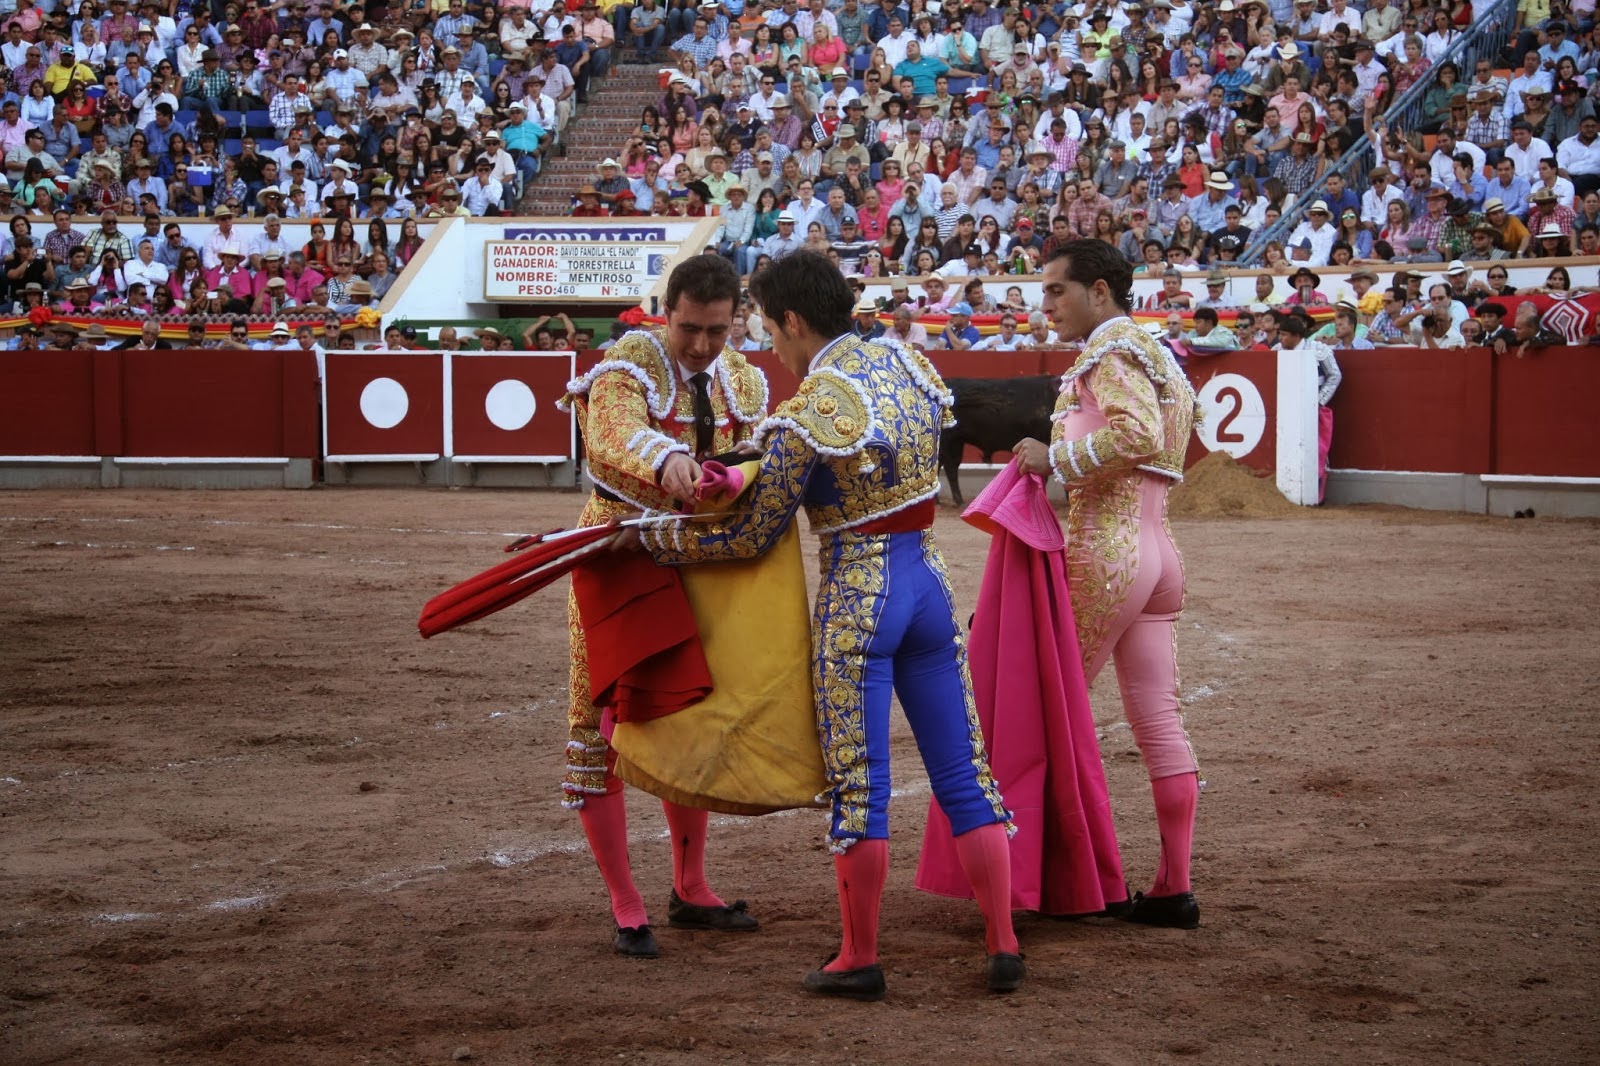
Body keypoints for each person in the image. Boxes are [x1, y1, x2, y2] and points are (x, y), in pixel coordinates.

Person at [640, 250, 1022, 1001]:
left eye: (771, 334)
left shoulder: (810, 410)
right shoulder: (908, 365)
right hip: (929, 584)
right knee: (964, 771)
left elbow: (752, 535)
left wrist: (656, 539)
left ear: (792, 319)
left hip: (860, 599)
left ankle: (859, 956)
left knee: (861, 785)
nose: (772, 351)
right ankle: (1003, 943)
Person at [556, 255, 769, 959]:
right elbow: (611, 435)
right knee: (601, 722)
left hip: (696, 559)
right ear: (665, 311)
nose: (701, 346)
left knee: (690, 715)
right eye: (688, 329)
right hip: (617, 553)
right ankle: (625, 902)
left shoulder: (742, 376)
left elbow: (754, 453)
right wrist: (665, 460)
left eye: (715, 330)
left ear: (735, 317)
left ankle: (691, 886)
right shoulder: (631, 361)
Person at [1011, 239, 1202, 930]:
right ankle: (1171, 886)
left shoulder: (1109, 355)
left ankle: (1073, 881)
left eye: (1056, 291)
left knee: (1050, 712)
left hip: (1107, 553)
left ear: (1098, 290)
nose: (1046, 305)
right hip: (1160, 555)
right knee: (1158, 719)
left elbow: (1139, 435)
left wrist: (1054, 457)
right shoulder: (1161, 359)